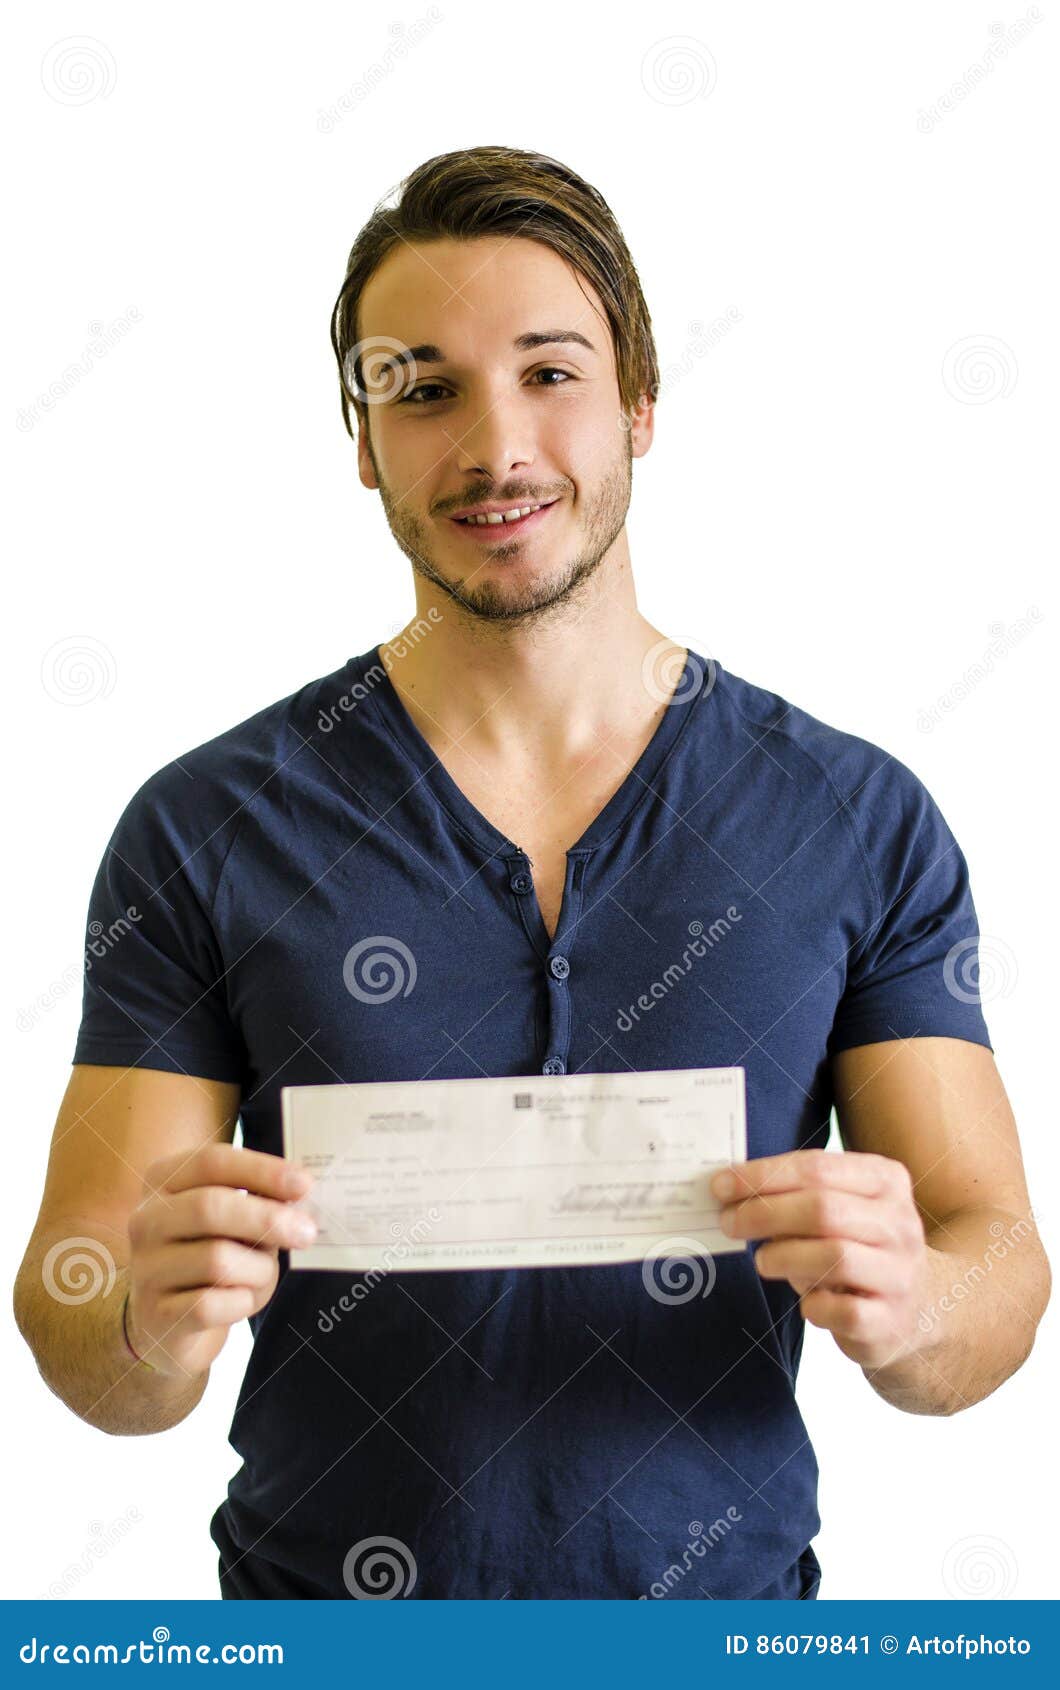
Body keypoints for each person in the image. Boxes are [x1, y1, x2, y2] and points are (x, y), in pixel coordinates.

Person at [14, 146, 1049, 1602]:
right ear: (362, 440)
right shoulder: (205, 826)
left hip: (727, 1642)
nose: (495, 446)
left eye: (549, 372)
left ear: (639, 402)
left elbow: (995, 1257)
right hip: (322, 1638)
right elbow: (75, 1305)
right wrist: (145, 1323)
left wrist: (917, 1297)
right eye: (422, 387)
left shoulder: (855, 818)